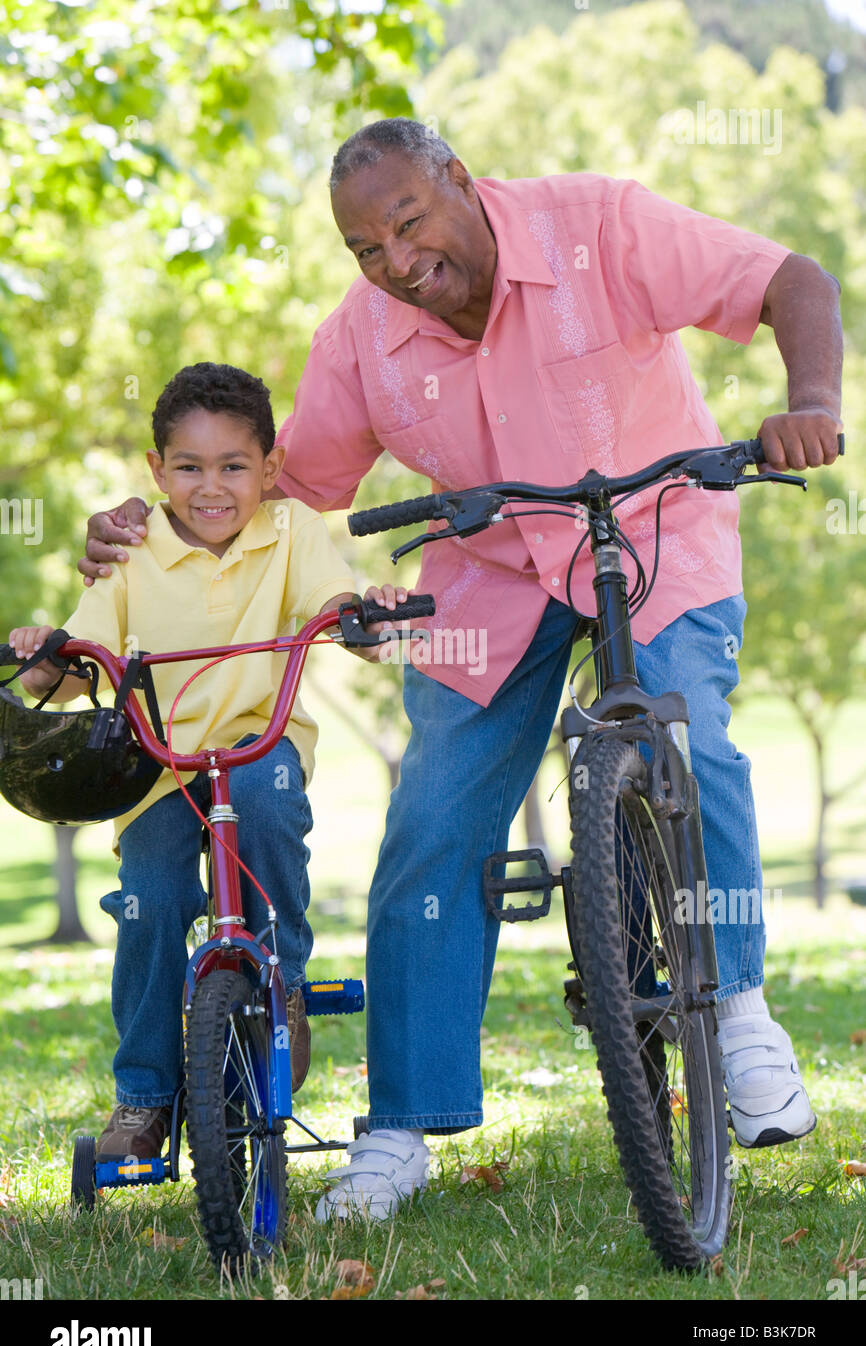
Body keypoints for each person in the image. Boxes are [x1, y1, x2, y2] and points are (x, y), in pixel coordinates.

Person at [81, 120, 843, 1217]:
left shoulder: (599, 226)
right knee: (430, 822)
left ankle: (737, 1012)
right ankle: (398, 1127)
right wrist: (146, 524)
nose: (395, 263)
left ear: (458, 181)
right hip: (484, 580)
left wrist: (809, 403)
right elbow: (281, 483)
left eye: (406, 223)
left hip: (655, 533)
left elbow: (788, 278)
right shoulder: (362, 335)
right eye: (364, 249)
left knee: (687, 733)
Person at [11, 361, 405, 1162]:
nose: (212, 486)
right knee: (150, 904)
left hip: (261, 744)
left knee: (265, 810)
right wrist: (45, 660)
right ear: (157, 471)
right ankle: (146, 1096)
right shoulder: (130, 549)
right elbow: (81, 654)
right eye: (188, 467)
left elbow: (331, 600)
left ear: (268, 470)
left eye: (234, 467)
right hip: (157, 764)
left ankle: (282, 980)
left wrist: (359, 617)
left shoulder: (292, 530)